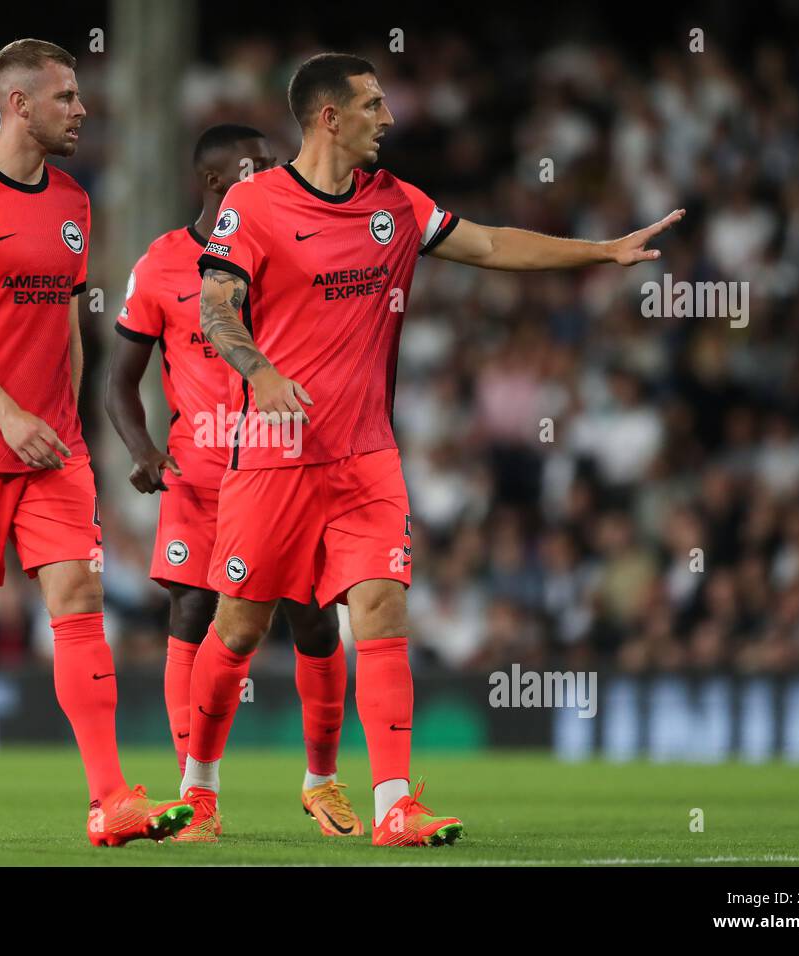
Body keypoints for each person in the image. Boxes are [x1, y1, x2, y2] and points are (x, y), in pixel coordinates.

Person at [185, 52, 684, 847]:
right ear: (329, 118)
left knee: (381, 608)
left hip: (365, 455)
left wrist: (599, 251)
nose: (389, 117)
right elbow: (217, 310)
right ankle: (200, 790)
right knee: (239, 630)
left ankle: (394, 806)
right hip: (274, 449)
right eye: (373, 104)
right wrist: (261, 369)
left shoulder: (395, 204)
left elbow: (488, 247)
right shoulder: (257, 202)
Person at [0, 38, 190, 848]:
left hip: (52, 449)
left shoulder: (73, 200)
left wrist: (71, 425)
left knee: (80, 599)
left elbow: (65, 319)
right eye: (66, 96)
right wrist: (5, 414)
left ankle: (111, 798)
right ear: (19, 103)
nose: (81, 108)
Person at [105, 124, 360, 841]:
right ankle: (197, 793)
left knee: (311, 617)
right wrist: (143, 449)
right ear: (216, 182)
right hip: (201, 473)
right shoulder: (159, 265)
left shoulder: (293, 242)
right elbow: (118, 380)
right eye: (261, 168)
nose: (278, 176)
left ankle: (321, 782)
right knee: (192, 612)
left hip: (285, 461)